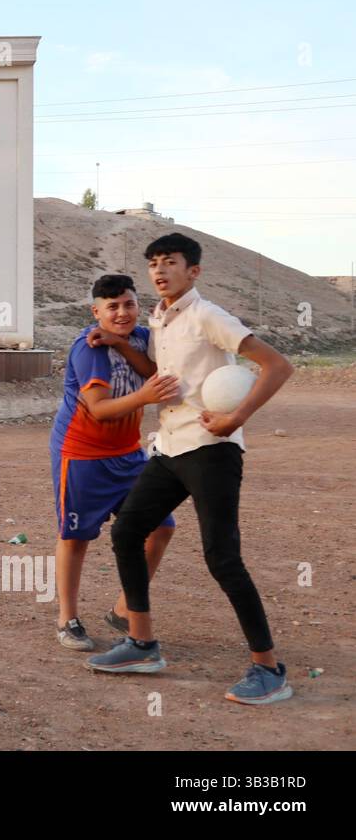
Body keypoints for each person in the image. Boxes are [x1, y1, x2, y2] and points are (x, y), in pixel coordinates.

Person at [86, 233, 296, 706]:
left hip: (211, 449)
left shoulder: (207, 315)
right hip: (170, 446)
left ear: (193, 271)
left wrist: (235, 419)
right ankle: (141, 644)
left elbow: (277, 366)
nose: (160, 271)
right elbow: (159, 379)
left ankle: (269, 669)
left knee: (222, 557)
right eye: (154, 264)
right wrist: (120, 343)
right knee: (127, 532)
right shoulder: (161, 317)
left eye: (171, 262)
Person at [49, 273, 181, 651]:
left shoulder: (139, 338)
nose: (122, 313)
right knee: (76, 537)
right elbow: (100, 409)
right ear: (96, 312)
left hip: (129, 454)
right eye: (112, 307)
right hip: (82, 456)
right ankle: (67, 619)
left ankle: (124, 607)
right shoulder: (89, 348)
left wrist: (122, 345)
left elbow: (149, 370)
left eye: (128, 304)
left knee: (161, 526)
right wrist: (146, 396)